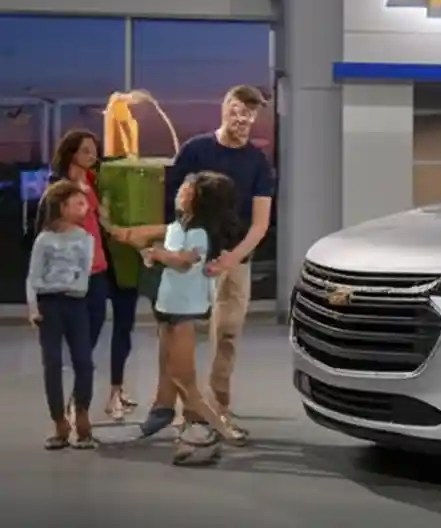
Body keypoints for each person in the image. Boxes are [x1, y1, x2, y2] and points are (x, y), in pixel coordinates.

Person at [137, 85, 274, 438]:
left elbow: (260, 223)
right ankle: (172, 405)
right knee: (176, 333)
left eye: (250, 113)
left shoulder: (258, 163)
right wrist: (164, 248)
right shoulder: (195, 151)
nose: (242, 118)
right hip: (190, 261)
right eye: (237, 109)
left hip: (234, 262)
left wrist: (231, 260)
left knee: (227, 334)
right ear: (224, 108)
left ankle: (218, 408)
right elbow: (172, 206)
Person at [143, 171, 249, 464]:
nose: (180, 192)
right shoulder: (178, 227)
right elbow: (173, 258)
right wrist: (156, 255)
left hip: (184, 310)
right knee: (172, 373)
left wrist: (160, 254)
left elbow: (184, 261)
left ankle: (221, 429)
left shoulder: (198, 233)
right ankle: (169, 414)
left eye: (186, 190)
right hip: (167, 305)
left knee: (184, 379)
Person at [50, 129, 139, 422]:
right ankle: (73, 407)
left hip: (98, 268)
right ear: (72, 153)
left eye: (94, 150)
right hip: (76, 274)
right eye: (87, 151)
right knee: (78, 341)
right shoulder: (60, 189)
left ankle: (81, 402)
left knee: (92, 334)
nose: (93, 156)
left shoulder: (91, 181)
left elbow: (103, 220)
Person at [28, 180, 98, 450]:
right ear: (62, 206)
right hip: (49, 306)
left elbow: (83, 275)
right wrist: (34, 307)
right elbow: (33, 277)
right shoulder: (44, 239)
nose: (85, 208)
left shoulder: (85, 239)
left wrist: (71, 287)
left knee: (83, 360)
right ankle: (58, 421)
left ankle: (82, 412)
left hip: (76, 305)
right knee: (52, 363)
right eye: (79, 203)